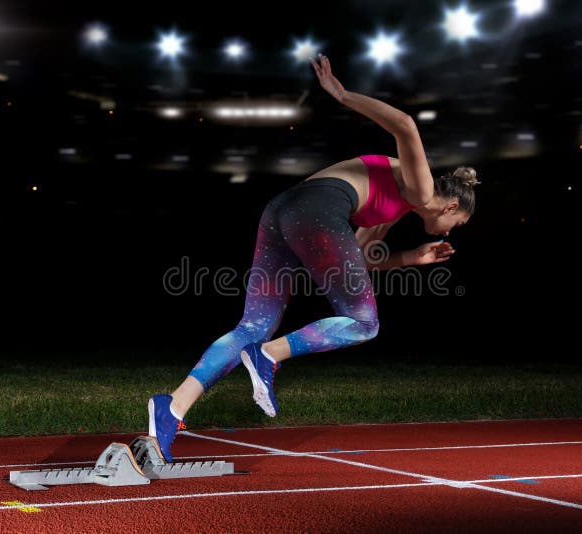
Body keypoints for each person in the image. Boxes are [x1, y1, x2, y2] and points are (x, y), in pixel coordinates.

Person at [148, 54, 479, 461]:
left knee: (254, 325)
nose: (449, 233)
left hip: (281, 211)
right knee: (364, 324)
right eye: (457, 224)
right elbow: (406, 125)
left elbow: (354, 260)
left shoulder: (394, 208)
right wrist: (342, 95)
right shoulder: (423, 191)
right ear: (451, 208)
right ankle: (269, 355)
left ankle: (172, 407)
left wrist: (411, 258)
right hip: (316, 211)